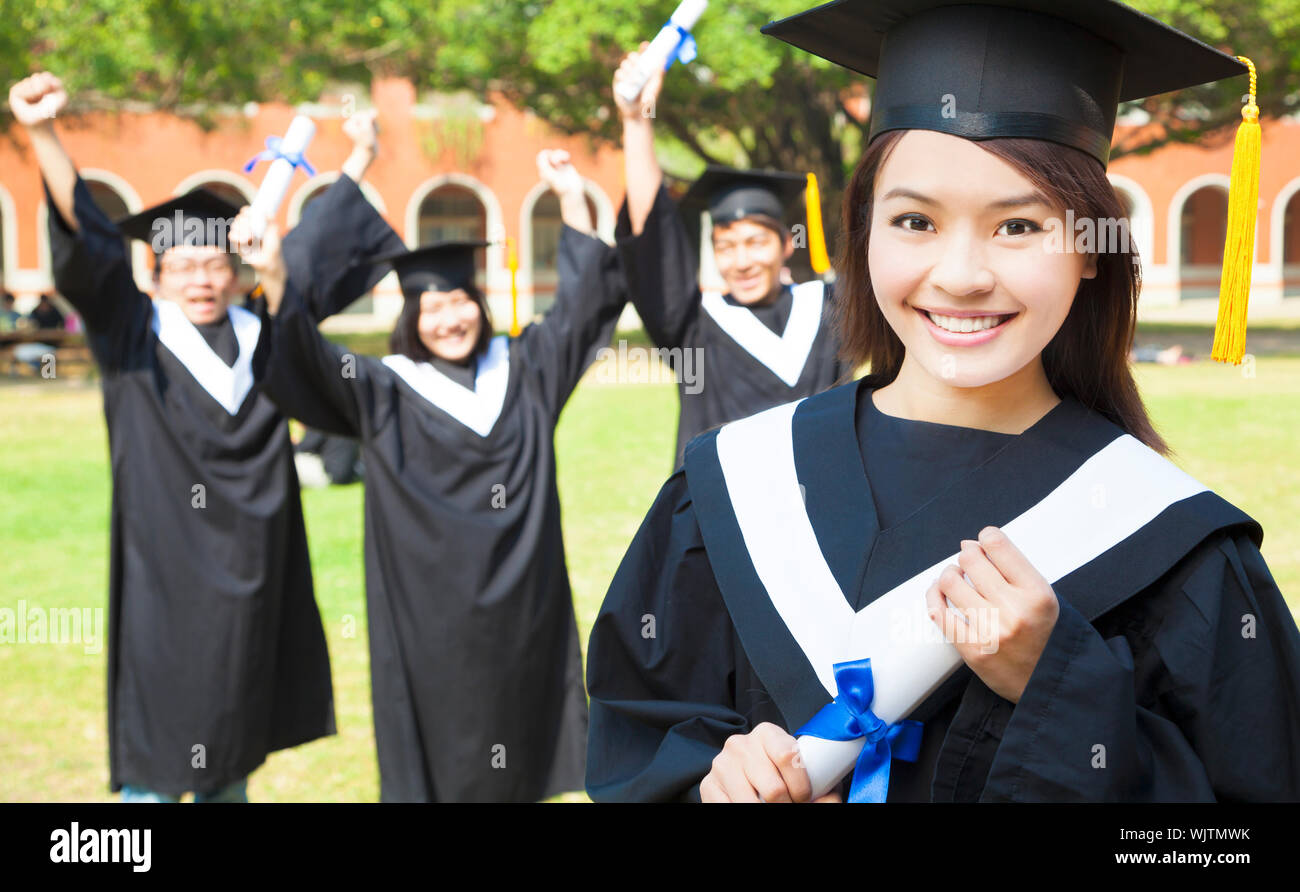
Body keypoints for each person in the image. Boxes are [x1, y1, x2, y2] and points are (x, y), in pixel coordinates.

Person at [586, 0, 1300, 802]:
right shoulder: (732, 489)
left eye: (1019, 225)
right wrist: (707, 786)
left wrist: (1064, 691)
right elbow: (637, 747)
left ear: (1090, 253)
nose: (961, 274)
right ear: (862, 237)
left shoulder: (1171, 545)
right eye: (915, 221)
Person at [7, 72, 396, 801]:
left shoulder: (267, 329)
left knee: (233, 751)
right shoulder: (133, 335)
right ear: (153, 275)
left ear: (235, 268)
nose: (200, 279)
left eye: (215, 263)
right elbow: (86, 232)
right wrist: (42, 133)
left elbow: (313, 248)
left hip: (254, 572)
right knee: (159, 759)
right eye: (181, 266)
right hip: (165, 577)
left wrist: (363, 158)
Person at [237, 148, 627, 802]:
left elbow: (583, 310)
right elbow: (302, 359)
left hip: (524, 617)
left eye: (460, 300)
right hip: (428, 626)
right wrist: (275, 274)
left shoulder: (527, 371)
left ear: (479, 302)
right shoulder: (383, 391)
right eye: (432, 306)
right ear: (410, 318)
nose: (450, 317)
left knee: (523, 765)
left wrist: (570, 198)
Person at [612, 52, 847, 468]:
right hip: (721, 524)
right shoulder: (693, 327)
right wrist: (635, 122)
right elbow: (654, 242)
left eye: (757, 242)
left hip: (822, 517)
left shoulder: (828, 308)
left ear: (786, 246)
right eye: (725, 246)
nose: (741, 261)